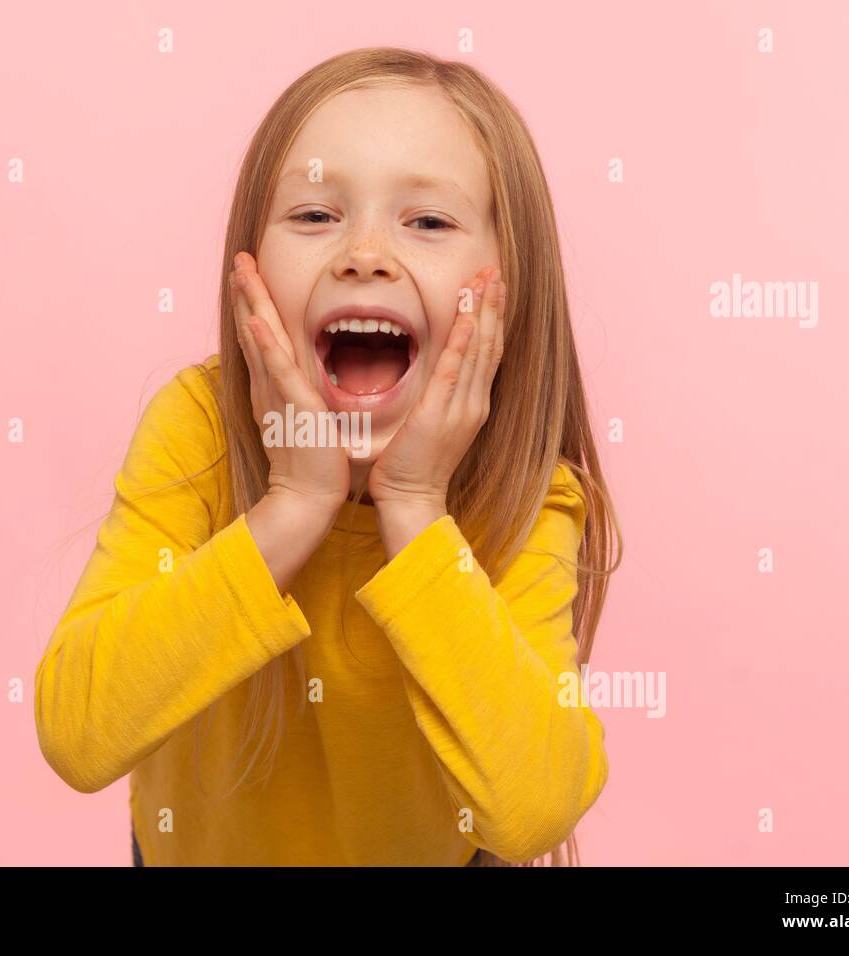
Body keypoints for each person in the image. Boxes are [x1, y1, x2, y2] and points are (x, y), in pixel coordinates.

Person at [35, 46, 622, 867]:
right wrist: (295, 504)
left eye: (428, 221)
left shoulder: (529, 497)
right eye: (315, 216)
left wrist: (415, 503)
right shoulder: (198, 429)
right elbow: (77, 732)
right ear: (249, 269)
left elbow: (532, 812)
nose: (364, 254)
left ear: (509, 285)